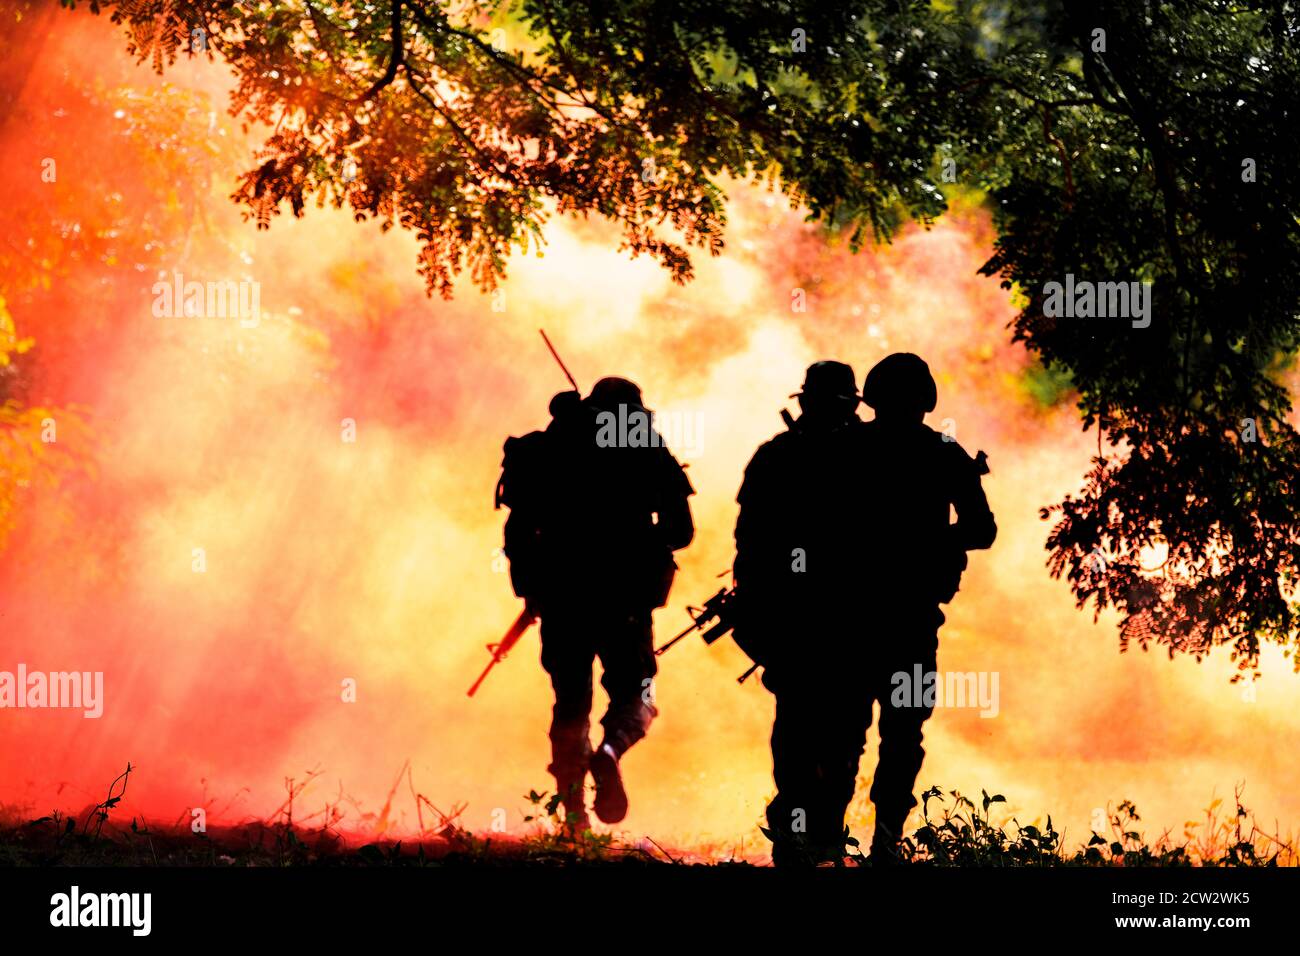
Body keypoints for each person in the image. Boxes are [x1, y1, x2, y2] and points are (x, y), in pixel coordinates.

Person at [733, 355, 995, 865]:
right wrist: (930, 541)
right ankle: (884, 840)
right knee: (902, 734)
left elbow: (805, 531)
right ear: (926, 400)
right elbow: (981, 530)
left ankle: (832, 833)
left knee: (845, 734)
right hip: (908, 622)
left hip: (848, 624)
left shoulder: (841, 449)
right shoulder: (942, 452)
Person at [496, 377, 694, 828]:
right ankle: (610, 752)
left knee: (570, 704)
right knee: (636, 693)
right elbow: (681, 530)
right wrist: (639, 543)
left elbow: (518, 531)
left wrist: (535, 590)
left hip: (562, 599)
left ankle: (573, 816)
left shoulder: (550, 445)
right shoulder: (643, 444)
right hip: (624, 598)